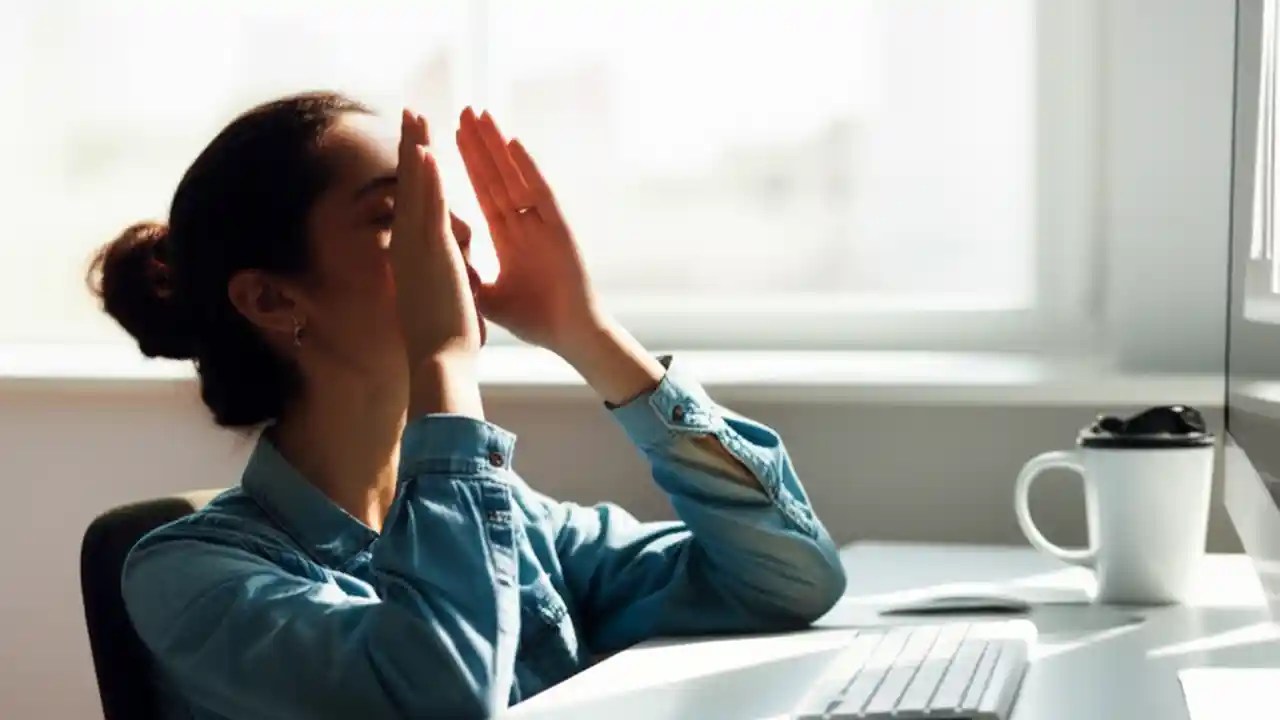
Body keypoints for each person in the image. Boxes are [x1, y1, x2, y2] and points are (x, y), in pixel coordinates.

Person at [87, 91, 846, 719]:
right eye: (397, 214)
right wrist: (443, 360)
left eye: (438, 206)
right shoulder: (188, 575)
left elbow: (788, 581)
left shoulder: (513, 522)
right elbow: (446, 698)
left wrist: (588, 332)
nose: (449, 236)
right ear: (270, 297)